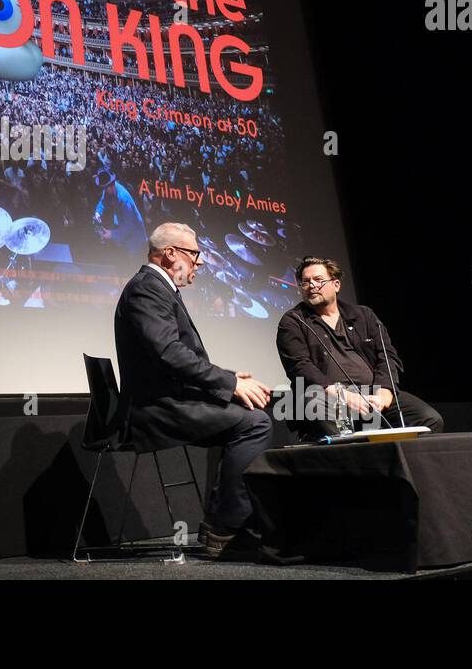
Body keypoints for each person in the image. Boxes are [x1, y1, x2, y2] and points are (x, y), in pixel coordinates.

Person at [113, 222, 275, 560]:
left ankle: (228, 522)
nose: (200, 262)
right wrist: (229, 384)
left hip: (169, 397)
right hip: (155, 407)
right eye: (195, 254)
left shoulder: (158, 288)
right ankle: (225, 527)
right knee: (255, 423)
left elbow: (173, 356)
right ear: (170, 253)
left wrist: (229, 379)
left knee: (253, 411)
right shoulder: (148, 287)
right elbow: (169, 353)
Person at [275, 256, 444, 439]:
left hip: (373, 394)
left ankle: (402, 465)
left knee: (429, 419)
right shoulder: (293, 321)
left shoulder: (363, 315)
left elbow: (387, 356)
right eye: (305, 282)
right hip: (329, 397)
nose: (312, 285)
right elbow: (299, 367)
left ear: (336, 285)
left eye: (318, 280)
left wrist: (385, 393)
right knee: (315, 403)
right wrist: (344, 397)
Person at [93, 169, 148, 264]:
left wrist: (112, 234)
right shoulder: (108, 188)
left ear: (111, 186)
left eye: (106, 189)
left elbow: (129, 226)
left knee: (133, 262)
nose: (104, 191)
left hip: (135, 235)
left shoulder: (124, 199)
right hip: (122, 225)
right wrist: (98, 212)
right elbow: (103, 201)